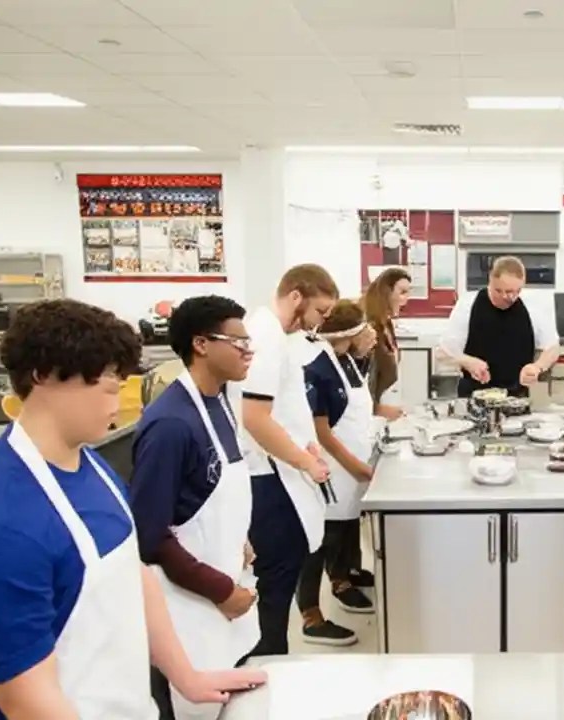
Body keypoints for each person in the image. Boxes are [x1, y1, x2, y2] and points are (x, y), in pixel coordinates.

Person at [0, 299, 264, 720]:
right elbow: (30, 705)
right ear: (44, 377)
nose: (117, 403)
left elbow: (132, 574)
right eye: (108, 387)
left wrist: (188, 678)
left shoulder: (90, 465)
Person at [130, 295, 260, 720]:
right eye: (237, 341)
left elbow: (211, 492)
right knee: (194, 709)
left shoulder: (219, 402)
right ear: (201, 344)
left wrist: (239, 537)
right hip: (190, 600)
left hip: (223, 580)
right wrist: (221, 591)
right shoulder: (170, 424)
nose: (248, 350)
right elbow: (149, 536)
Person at [241, 264, 338, 657]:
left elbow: (282, 409)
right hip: (269, 480)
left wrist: (305, 444)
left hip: (279, 469)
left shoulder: (275, 336)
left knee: (277, 586)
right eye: (320, 312)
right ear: (296, 296)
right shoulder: (265, 337)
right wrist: (305, 461)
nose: (319, 323)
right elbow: (254, 418)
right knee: (274, 592)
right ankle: (269, 673)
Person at [295, 300, 379, 646]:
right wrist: (357, 467)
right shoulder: (317, 369)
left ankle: (342, 580)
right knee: (320, 538)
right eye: (366, 328)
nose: (371, 333)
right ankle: (311, 616)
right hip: (333, 466)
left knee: (345, 529)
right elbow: (323, 432)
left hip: (352, 466)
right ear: (349, 333)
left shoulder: (344, 362)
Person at [441, 255, 560, 398]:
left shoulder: (532, 307)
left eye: (513, 291)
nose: (507, 297)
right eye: (499, 290)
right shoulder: (467, 306)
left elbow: (552, 348)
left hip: (516, 399)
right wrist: (467, 361)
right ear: (490, 280)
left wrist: (537, 367)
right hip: (473, 399)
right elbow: (442, 353)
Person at [362, 267, 412, 420]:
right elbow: (364, 381)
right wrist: (376, 408)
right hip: (372, 413)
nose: (406, 299)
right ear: (386, 292)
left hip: (388, 405)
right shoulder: (370, 331)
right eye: (402, 292)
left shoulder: (387, 325)